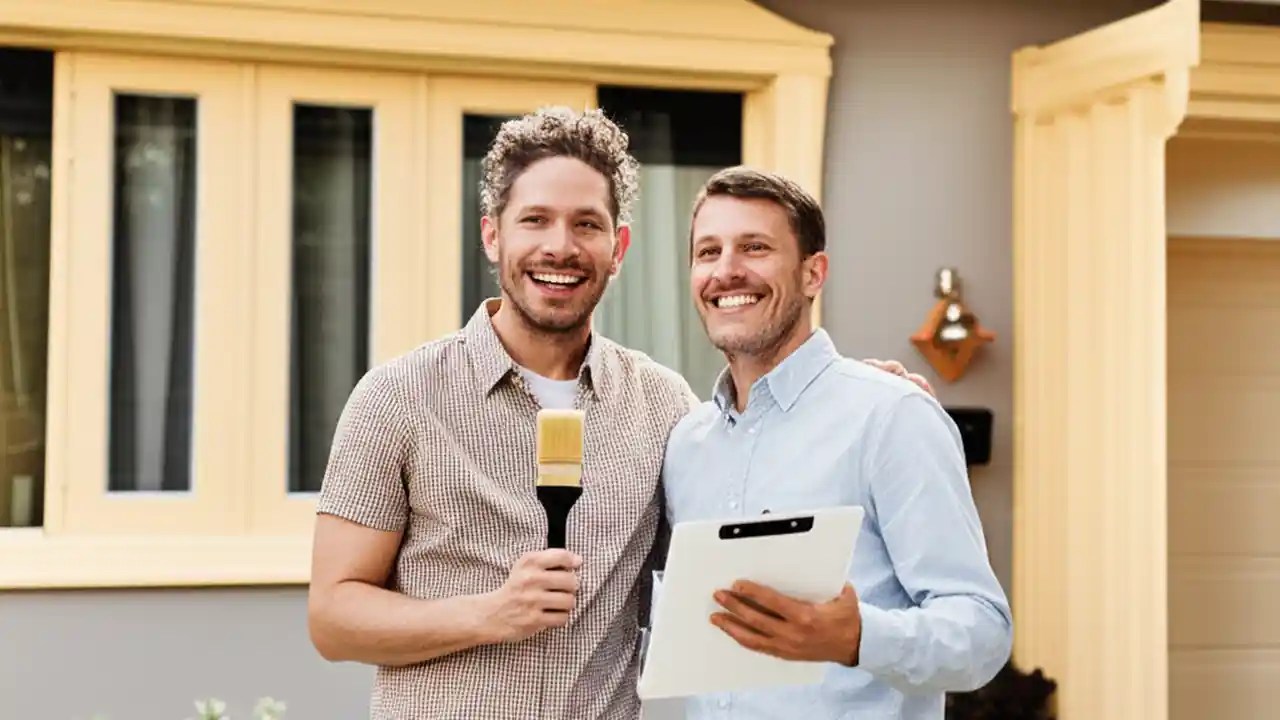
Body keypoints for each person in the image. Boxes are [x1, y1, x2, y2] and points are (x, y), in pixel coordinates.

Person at [307, 106, 930, 719]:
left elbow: (749, 465)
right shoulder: (397, 397)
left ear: (618, 246)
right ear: (493, 235)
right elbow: (333, 619)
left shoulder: (663, 407)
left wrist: (845, 392)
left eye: (586, 224)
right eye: (535, 220)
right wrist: (488, 613)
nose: (560, 247)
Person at [661, 166, 1012, 719]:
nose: (727, 271)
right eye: (708, 252)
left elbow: (983, 631)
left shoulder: (891, 417)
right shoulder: (686, 445)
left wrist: (857, 638)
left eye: (754, 247)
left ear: (812, 274)